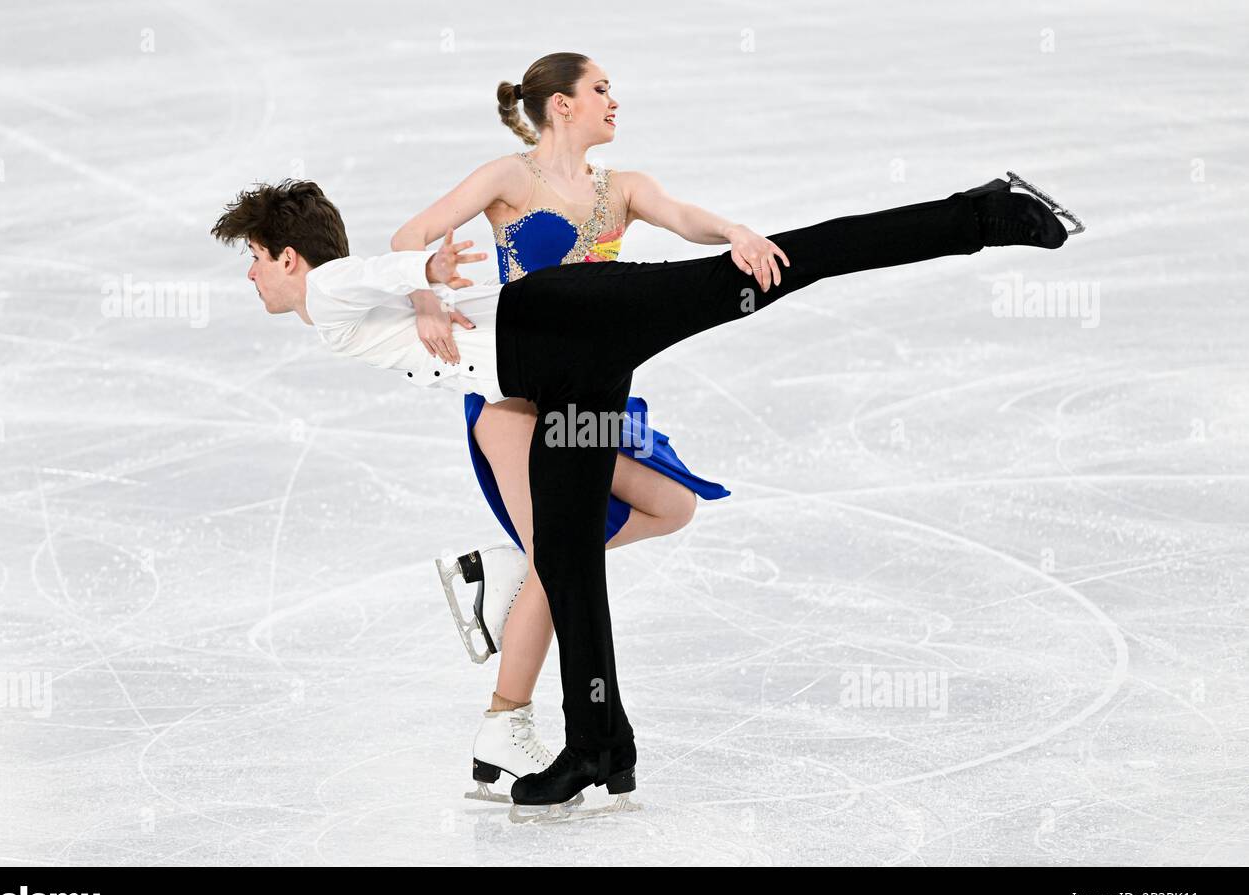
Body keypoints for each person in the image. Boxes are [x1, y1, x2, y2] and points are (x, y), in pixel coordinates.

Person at [210, 169, 1081, 817]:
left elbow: (374, 271)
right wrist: (423, 288)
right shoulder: (333, 302)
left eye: (255, 259)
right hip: (561, 381)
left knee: (773, 273)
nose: (253, 277)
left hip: (567, 323)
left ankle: (983, 212)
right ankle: (599, 747)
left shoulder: (322, 291)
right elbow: (391, 277)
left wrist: (422, 280)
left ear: (289, 256)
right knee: (568, 558)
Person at [387, 52, 789, 798]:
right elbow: (410, 236)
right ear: (561, 106)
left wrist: (734, 231)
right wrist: (426, 299)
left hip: (583, 402)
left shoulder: (623, 190)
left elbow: (686, 218)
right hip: (512, 403)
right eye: (600, 88)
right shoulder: (507, 178)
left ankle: (499, 572)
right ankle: (503, 724)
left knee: (672, 505)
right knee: (558, 557)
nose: (614, 99)